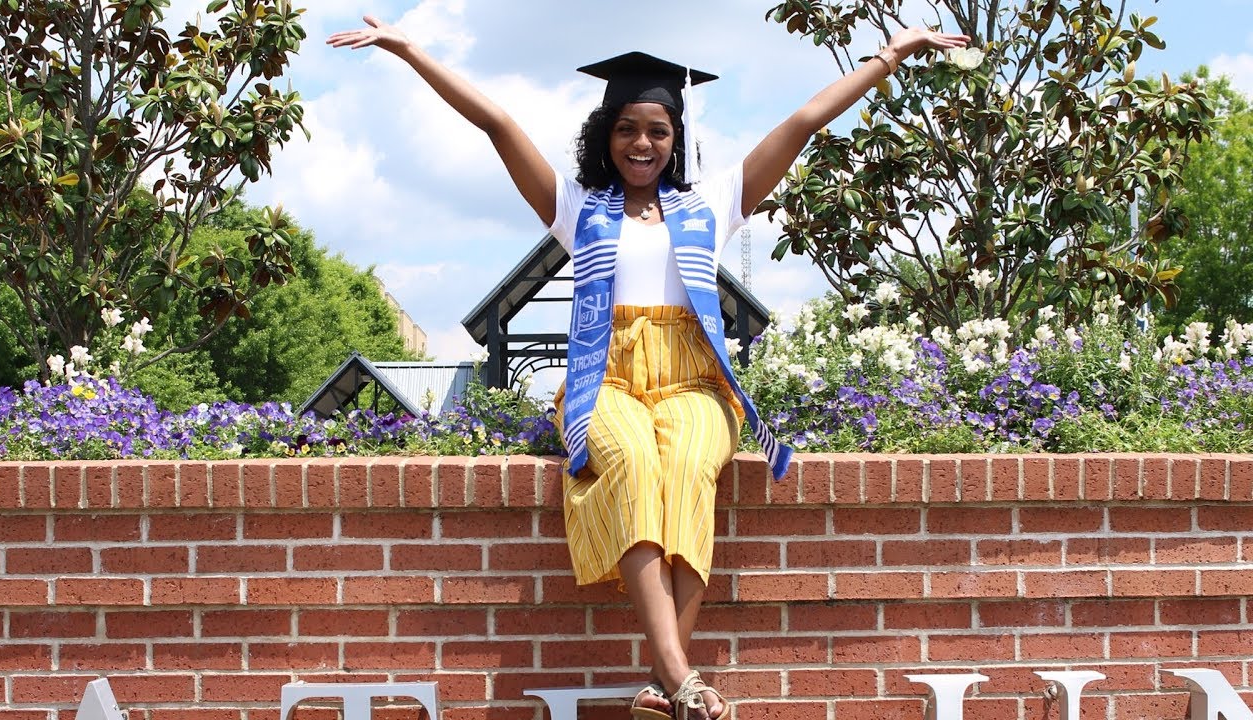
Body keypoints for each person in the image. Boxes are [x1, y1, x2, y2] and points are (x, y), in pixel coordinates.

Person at [328, 18, 968, 720]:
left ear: (677, 138)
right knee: (631, 461)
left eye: (658, 131)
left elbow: (804, 121)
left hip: (695, 378)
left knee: (691, 465)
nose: (643, 144)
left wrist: (891, 54)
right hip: (606, 378)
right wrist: (409, 48)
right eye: (628, 128)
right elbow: (496, 123)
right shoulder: (577, 210)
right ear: (607, 135)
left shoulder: (710, 205)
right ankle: (677, 675)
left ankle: (666, 686)